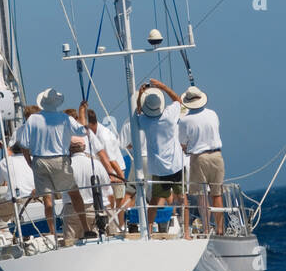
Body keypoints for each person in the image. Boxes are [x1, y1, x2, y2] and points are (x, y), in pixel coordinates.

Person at [15, 88, 93, 242]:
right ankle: (86, 229)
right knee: (75, 195)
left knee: (47, 200)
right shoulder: (64, 118)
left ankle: (52, 233)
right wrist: (82, 112)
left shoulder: (33, 119)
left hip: (39, 161)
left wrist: (30, 162)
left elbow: (23, 144)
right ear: (57, 102)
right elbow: (83, 131)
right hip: (60, 160)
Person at [134, 79, 187, 232]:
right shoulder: (170, 116)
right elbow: (178, 100)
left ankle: (149, 230)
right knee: (183, 199)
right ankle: (186, 232)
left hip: (158, 169)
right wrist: (163, 87)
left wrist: (140, 96)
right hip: (176, 164)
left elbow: (138, 112)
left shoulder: (145, 122)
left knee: (155, 201)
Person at [178, 86, 225, 237]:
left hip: (199, 157)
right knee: (217, 195)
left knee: (202, 195)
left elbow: (183, 144)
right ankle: (220, 229)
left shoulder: (185, 121)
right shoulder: (213, 114)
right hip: (217, 156)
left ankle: (206, 228)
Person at [80, 105, 129, 229]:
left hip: (116, 170)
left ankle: (120, 226)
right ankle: (113, 224)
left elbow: (112, 160)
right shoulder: (94, 133)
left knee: (116, 199)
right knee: (110, 199)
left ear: (90, 124)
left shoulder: (104, 137)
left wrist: (121, 178)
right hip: (108, 170)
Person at [63, 139, 114, 243]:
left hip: (72, 209)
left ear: (69, 149)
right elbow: (107, 186)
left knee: (70, 245)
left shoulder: (65, 166)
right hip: (94, 208)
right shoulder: (96, 164)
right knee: (97, 244)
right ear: (84, 148)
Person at [0, 144, 35, 221]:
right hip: (33, 199)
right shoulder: (32, 159)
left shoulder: (4, 162)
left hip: (14, 203)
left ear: (12, 149)